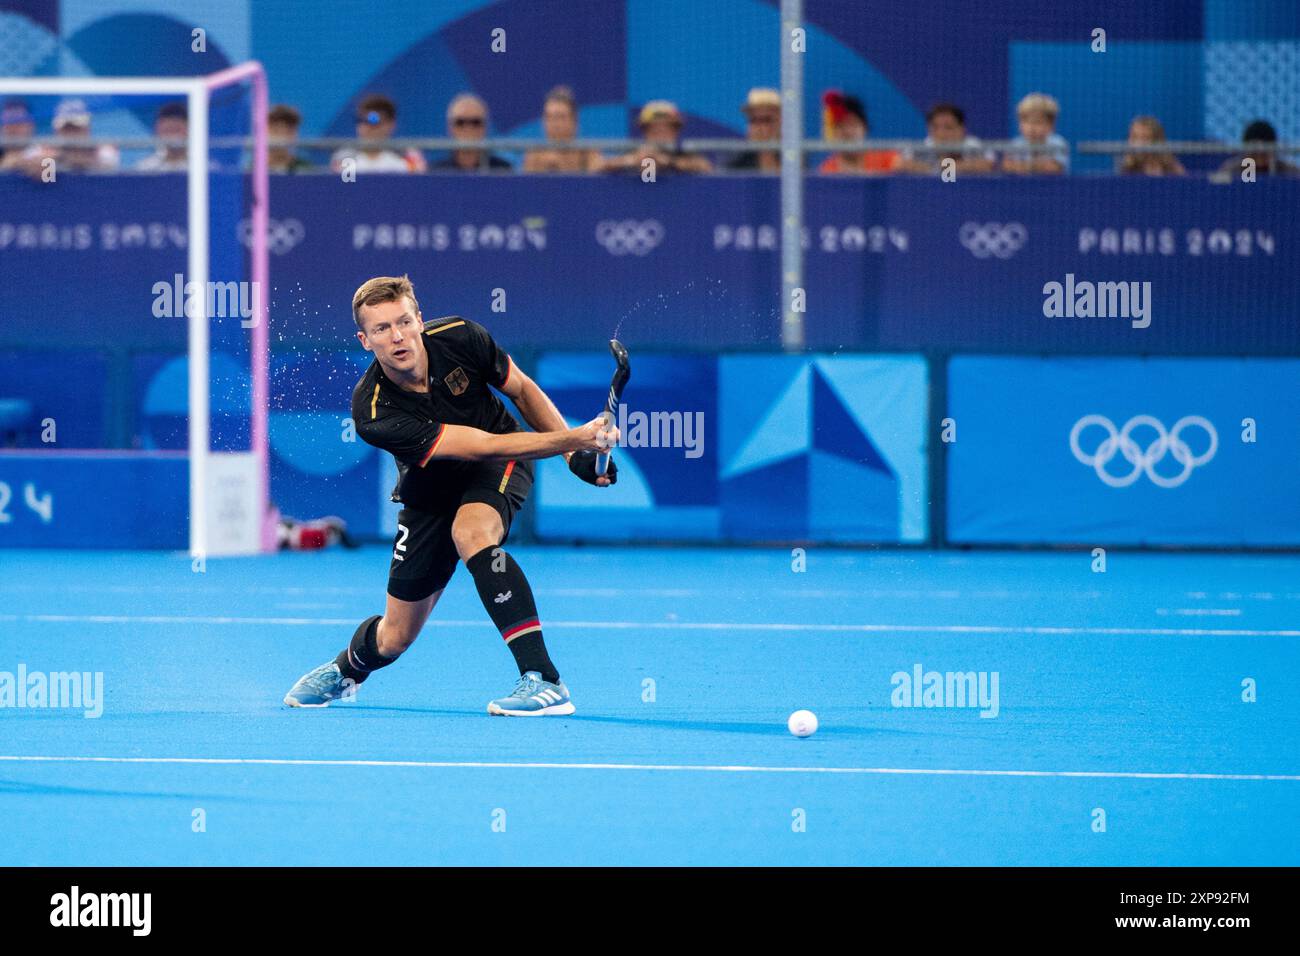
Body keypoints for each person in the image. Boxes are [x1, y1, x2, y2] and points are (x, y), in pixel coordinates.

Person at [284, 275, 619, 715]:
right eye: (382, 329)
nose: (398, 336)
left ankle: (544, 679)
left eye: (404, 321)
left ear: (419, 320)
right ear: (365, 340)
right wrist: (576, 438)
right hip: (432, 491)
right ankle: (347, 669)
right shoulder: (372, 410)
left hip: (499, 465)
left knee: (473, 532)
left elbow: (521, 390)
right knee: (394, 636)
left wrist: (573, 453)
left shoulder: (462, 337)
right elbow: (477, 443)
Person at [594, 99, 712, 174]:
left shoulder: (684, 153)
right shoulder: (634, 151)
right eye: (655, 129)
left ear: (676, 131)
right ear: (644, 131)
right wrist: (632, 161)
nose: (661, 134)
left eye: (667, 128)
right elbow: (599, 168)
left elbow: (705, 167)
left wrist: (668, 162)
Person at [330, 95, 424, 174]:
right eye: (361, 120)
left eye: (373, 120)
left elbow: (417, 188)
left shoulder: (409, 156)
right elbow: (342, 189)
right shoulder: (344, 157)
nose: (366, 127)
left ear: (391, 124)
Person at [895, 103, 994, 175]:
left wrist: (939, 168)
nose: (941, 134)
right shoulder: (922, 148)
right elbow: (903, 164)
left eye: (948, 127)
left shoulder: (974, 146)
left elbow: (987, 165)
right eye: (935, 127)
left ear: (962, 129)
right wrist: (951, 167)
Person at [522, 85, 600, 172]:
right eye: (549, 117)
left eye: (560, 117)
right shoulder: (534, 153)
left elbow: (600, 169)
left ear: (574, 121)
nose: (554, 124)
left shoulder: (586, 151)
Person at [816, 91, 897, 174]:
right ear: (833, 132)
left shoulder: (889, 160)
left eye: (853, 124)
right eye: (840, 126)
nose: (847, 132)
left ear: (865, 128)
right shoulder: (826, 172)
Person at [431, 93, 512, 171]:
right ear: (449, 128)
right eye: (460, 122)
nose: (468, 128)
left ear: (485, 127)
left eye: (476, 122)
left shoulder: (503, 171)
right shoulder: (435, 173)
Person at [1001, 92, 1068, 175]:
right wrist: (1038, 165)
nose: (1031, 128)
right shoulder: (1015, 144)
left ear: (1051, 125)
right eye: (1026, 122)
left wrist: (1022, 166)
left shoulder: (1058, 143)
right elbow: (1007, 166)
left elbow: (1053, 168)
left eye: (1038, 122)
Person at [1216, 119, 1298, 178]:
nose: (1259, 159)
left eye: (1263, 154)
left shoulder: (1290, 172)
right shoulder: (1232, 170)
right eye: (1254, 154)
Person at [727, 87, 782, 172]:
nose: (760, 127)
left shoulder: (794, 156)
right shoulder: (737, 162)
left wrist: (766, 151)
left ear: (780, 122)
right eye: (753, 120)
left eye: (766, 120)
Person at [1118, 116, 1184, 176]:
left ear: (1156, 140)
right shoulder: (1127, 168)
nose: (1138, 144)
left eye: (1145, 138)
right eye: (1134, 137)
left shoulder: (1171, 167)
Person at [136, 102, 190, 171]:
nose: (172, 137)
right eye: (167, 130)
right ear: (157, 131)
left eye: (177, 130)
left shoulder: (203, 165)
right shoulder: (144, 168)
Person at [267, 104, 312, 173]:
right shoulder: (250, 170)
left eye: (289, 131)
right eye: (276, 130)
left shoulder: (305, 169)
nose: (282, 137)